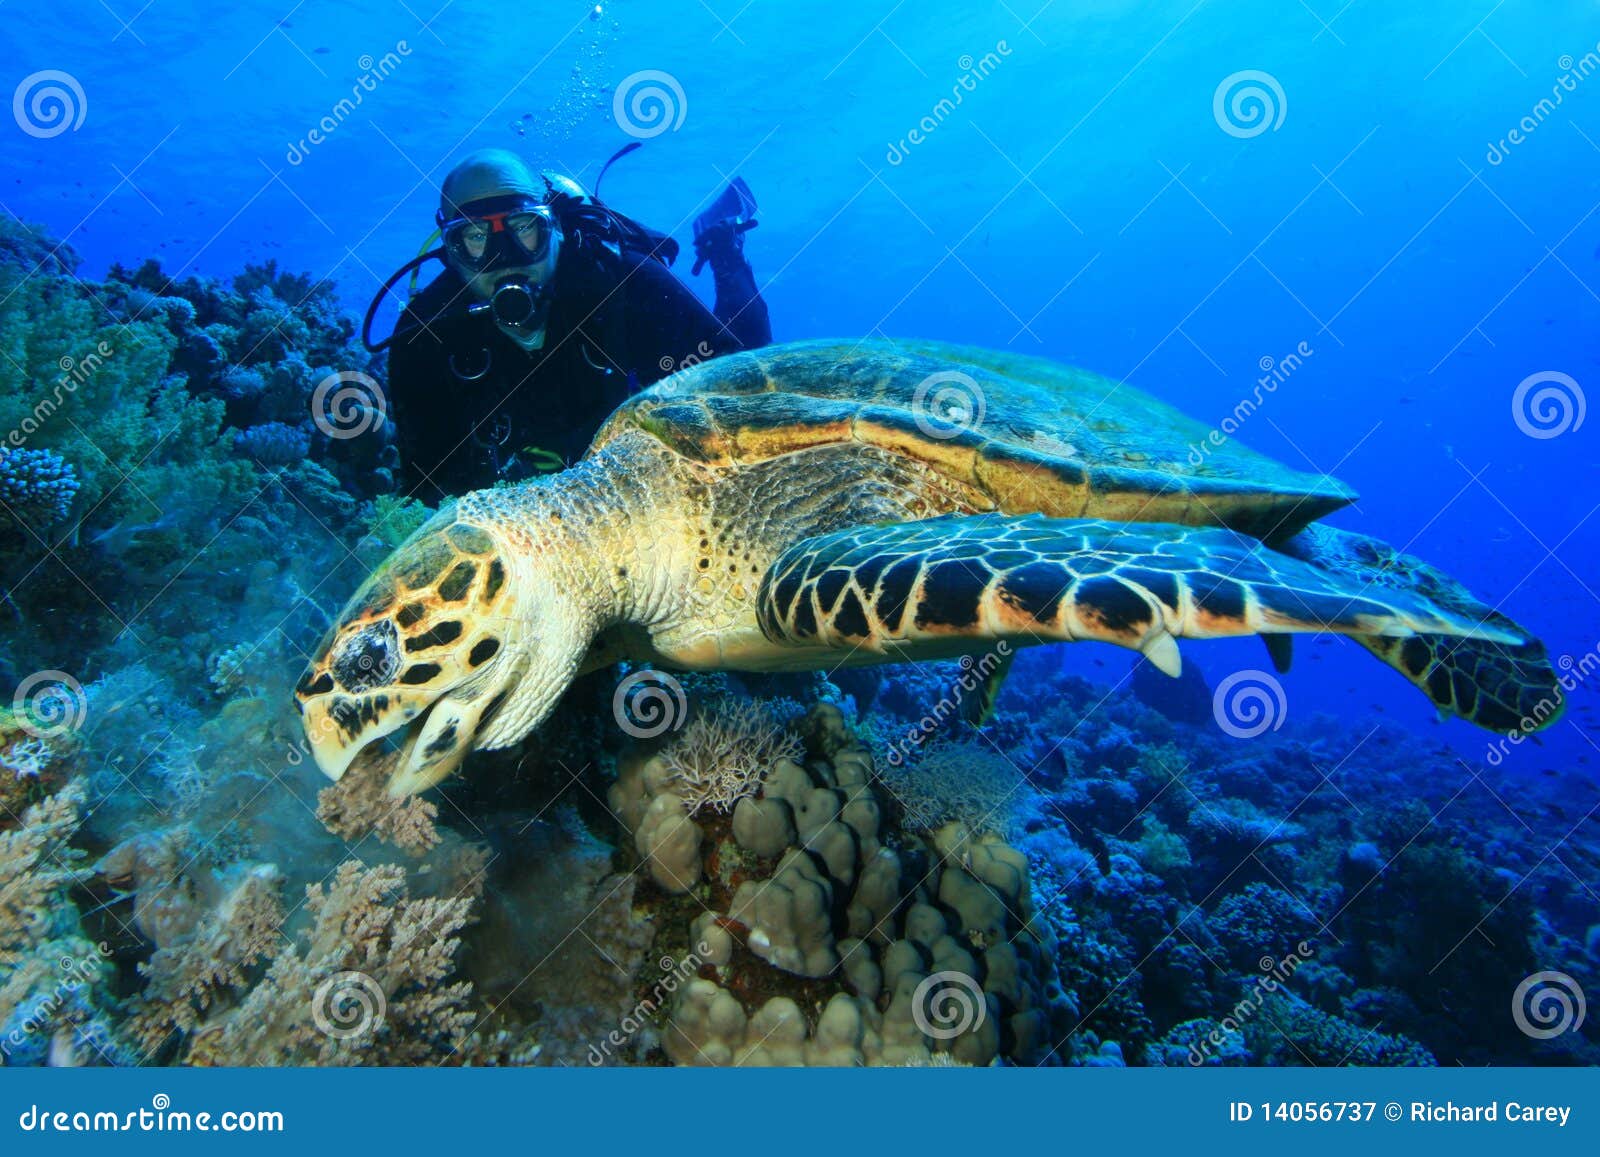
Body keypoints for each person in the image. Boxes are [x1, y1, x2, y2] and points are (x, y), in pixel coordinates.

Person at [375, 148, 770, 501]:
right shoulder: (424, 338)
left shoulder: (626, 282)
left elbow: (738, 394)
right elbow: (429, 488)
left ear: (556, 229)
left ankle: (722, 244)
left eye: (524, 228)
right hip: (550, 474)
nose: (505, 258)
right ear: (451, 253)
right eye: (475, 238)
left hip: (651, 432)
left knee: (754, 353)